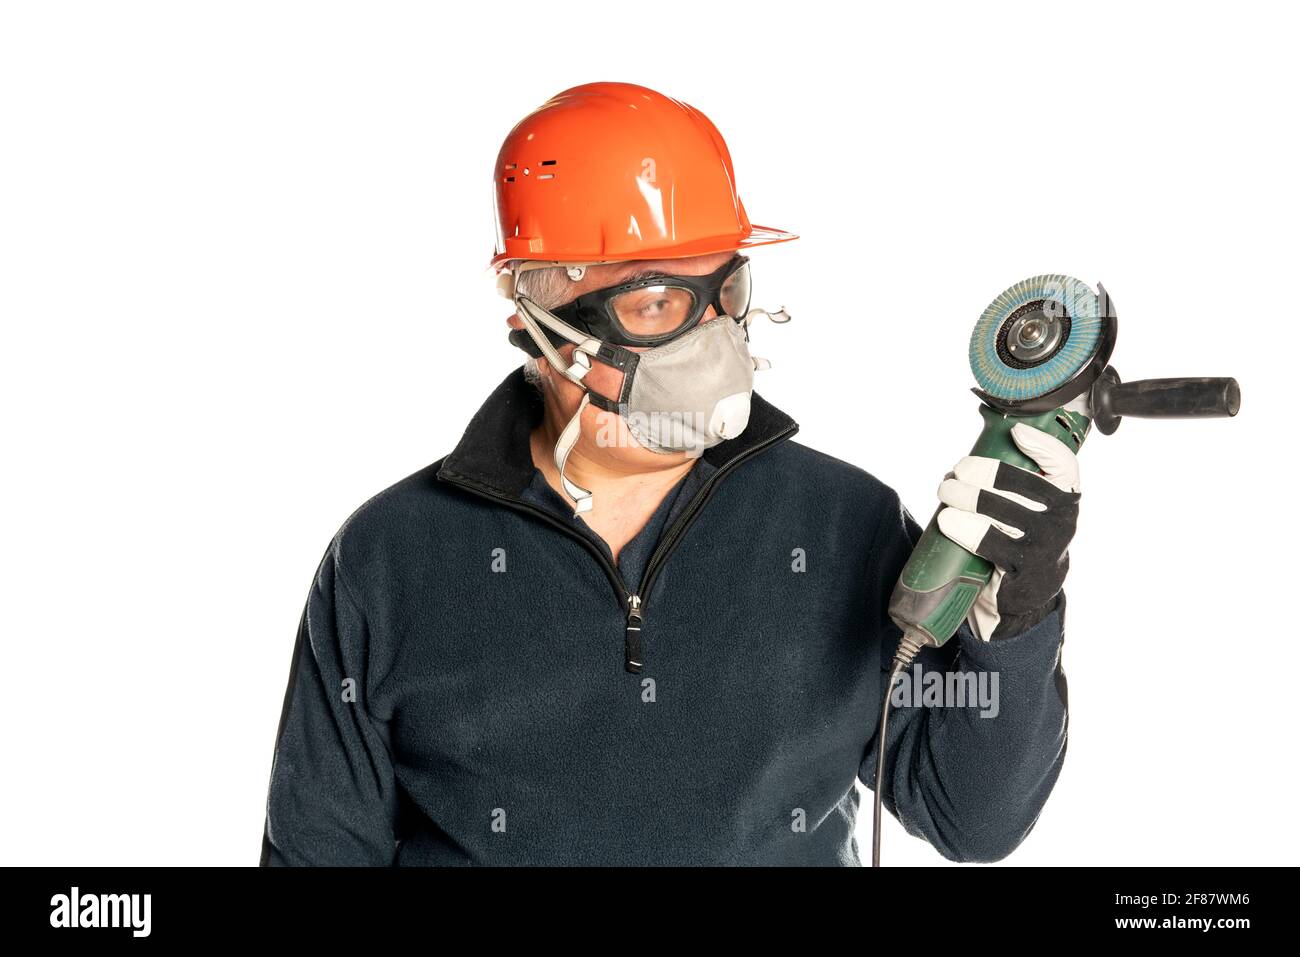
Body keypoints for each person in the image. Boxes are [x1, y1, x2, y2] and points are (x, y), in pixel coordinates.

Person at [259, 82, 1080, 866]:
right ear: (538, 328)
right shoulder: (391, 558)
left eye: (725, 287)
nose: (713, 337)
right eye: (655, 301)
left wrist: (1014, 626)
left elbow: (972, 818)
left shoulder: (842, 525)